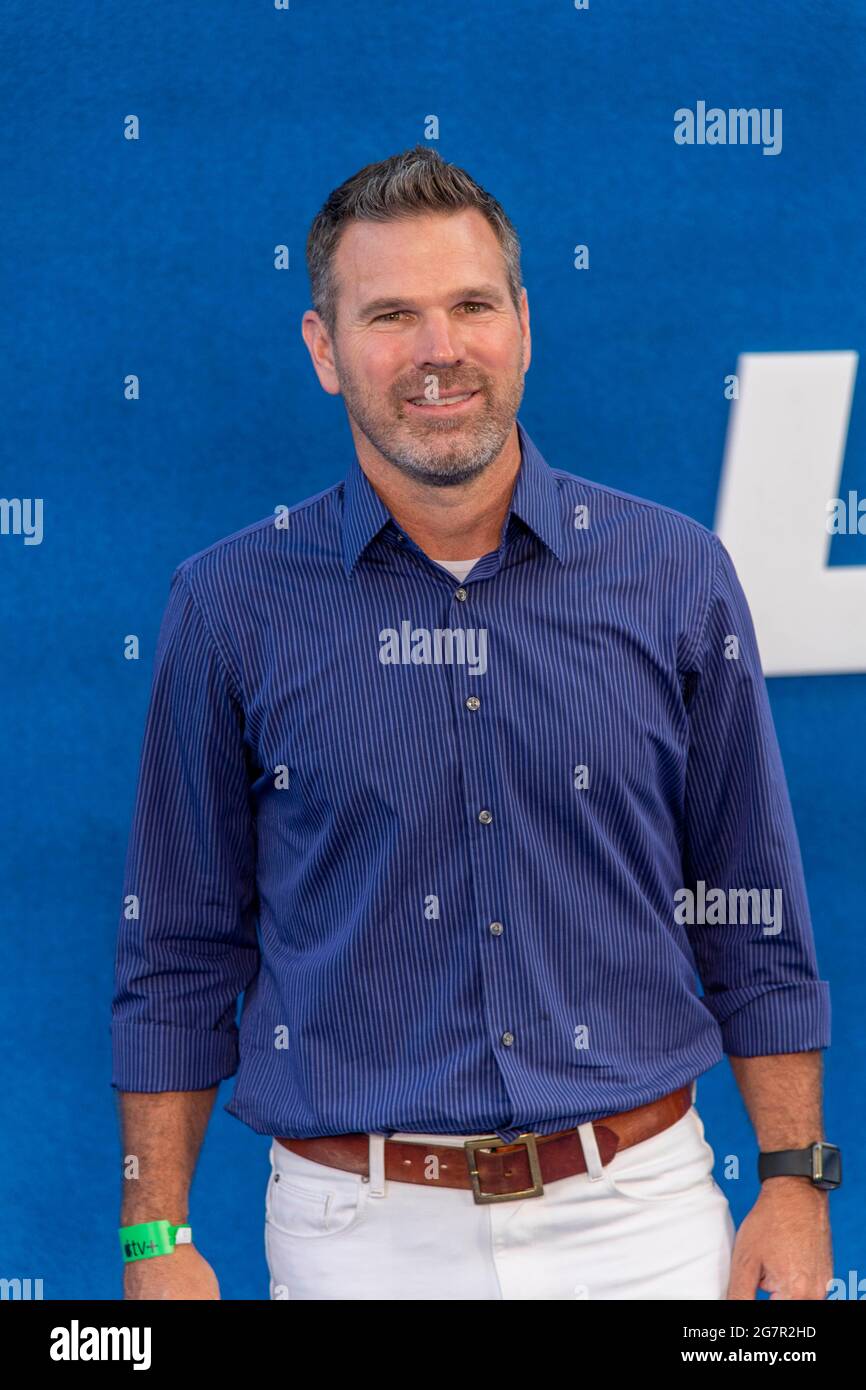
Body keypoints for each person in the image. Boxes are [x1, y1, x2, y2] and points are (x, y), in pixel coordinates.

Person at [112, 146, 835, 1302]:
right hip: (354, 1238)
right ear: (323, 349)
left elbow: (753, 916)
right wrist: (156, 1238)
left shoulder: (674, 575)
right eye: (390, 314)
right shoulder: (228, 605)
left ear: (522, 324)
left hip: (641, 1227)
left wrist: (794, 1184)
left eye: (468, 307)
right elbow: (178, 951)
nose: (437, 350)